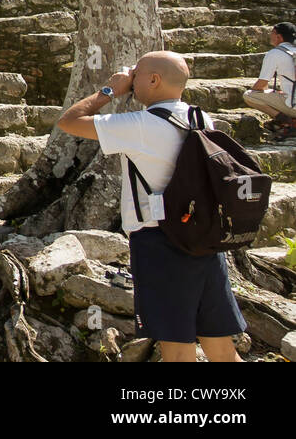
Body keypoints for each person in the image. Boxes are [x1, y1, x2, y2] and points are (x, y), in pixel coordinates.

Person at [56, 50, 246, 362]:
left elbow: (69, 121)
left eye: (138, 74)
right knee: (223, 349)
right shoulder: (201, 118)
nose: (132, 78)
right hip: (205, 240)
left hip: (161, 243)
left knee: (176, 350)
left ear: (154, 80)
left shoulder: (140, 125)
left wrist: (110, 90)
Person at [243, 22, 296, 135]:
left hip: (293, 106)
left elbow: (261, 84)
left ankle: (288, 122)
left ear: (279, 37)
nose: (270, 36)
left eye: (272, 33)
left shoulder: (275, 53)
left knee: (249, 95)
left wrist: (260, 91)